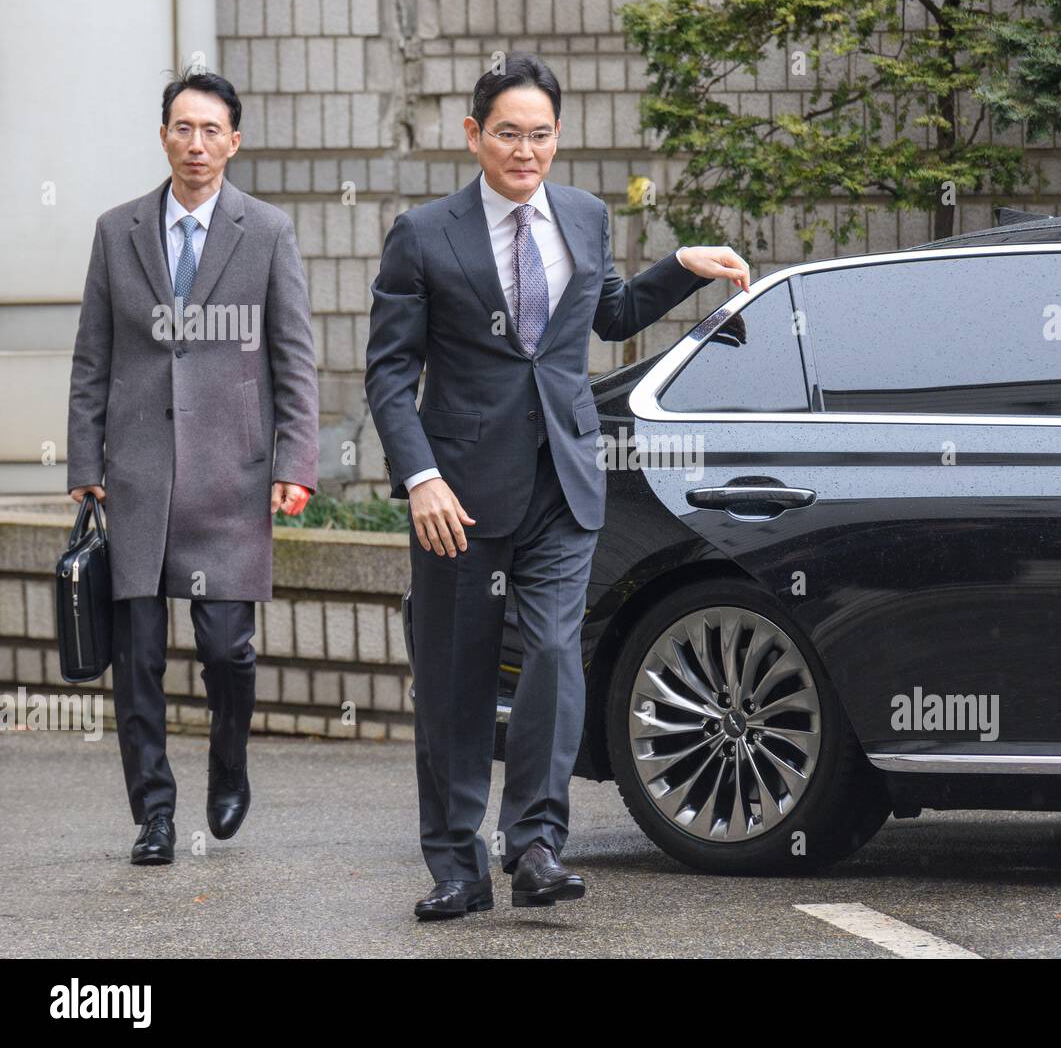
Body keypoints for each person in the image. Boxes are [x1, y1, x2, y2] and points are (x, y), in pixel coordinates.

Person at [366, 52, 749, 920]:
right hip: (457, 495)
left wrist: (681, 266)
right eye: (508, 133)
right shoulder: (424, 235)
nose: (526, 150)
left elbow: (606, 317)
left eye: (541, 134)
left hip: (565, 483)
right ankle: (457, 865)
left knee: (549, 653)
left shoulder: (583, 215)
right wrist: (419, 475)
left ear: (558, 137)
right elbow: (389, 374)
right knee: (458, 676)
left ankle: (535, 844)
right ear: (474, 135)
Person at [65, 67, 319, 865]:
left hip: (230, 474)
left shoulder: (267, 232)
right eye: (183, 127)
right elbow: (92, 358)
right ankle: (155, 813)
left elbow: (294, 357)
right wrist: (84, 455)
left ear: (234, 142)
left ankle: (229, 764)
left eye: (212, 130)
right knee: (136, 655)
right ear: (164, 135)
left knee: (225, 648)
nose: (197, 143)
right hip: (137, 475)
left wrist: (296, 460)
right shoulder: (118, 231)